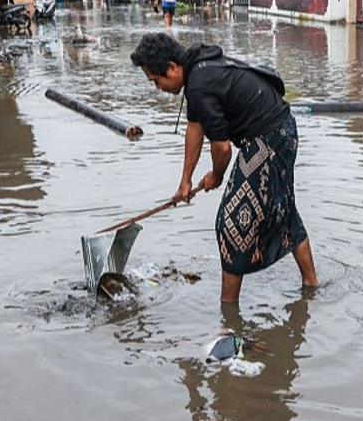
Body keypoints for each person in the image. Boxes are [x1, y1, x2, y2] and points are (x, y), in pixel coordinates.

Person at [131, 33, 318, 304]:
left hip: (270, 138)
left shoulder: (199, 84)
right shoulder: (196, 72)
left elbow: (222, 149)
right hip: (281, 130)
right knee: (283, 208)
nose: (158, 88)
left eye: (156, 81)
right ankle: (311, 284)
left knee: (231, 223)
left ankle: (228, 311)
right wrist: (185, 181)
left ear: (172, 68)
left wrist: (216, 176)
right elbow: (195, 127)